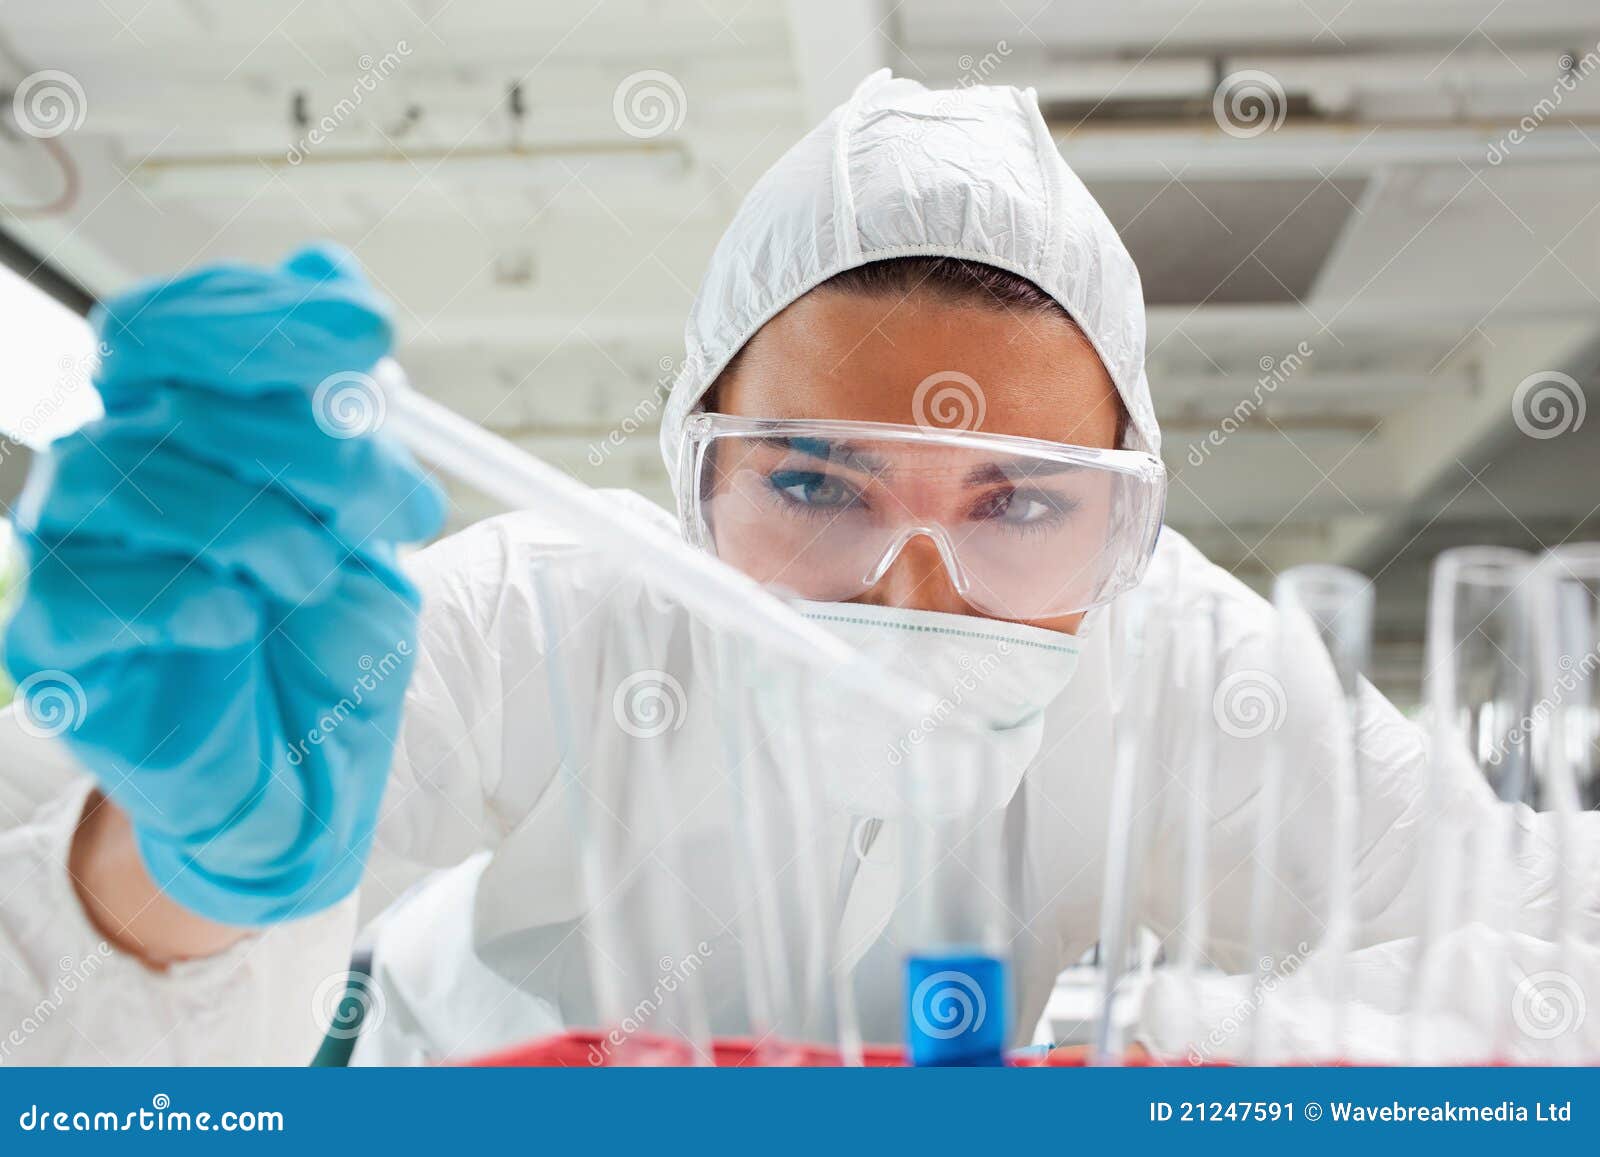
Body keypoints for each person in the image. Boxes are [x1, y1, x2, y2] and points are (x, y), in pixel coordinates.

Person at [0, 72, 1591, 1064]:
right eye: (819, 481)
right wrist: (169, 875)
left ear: (1127, 522)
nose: (913, 589)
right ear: (696, 469)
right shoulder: (548, 605)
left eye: (1021, 504)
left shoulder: (1186, 661)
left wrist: (1182, 1042)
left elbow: (1559, 952)